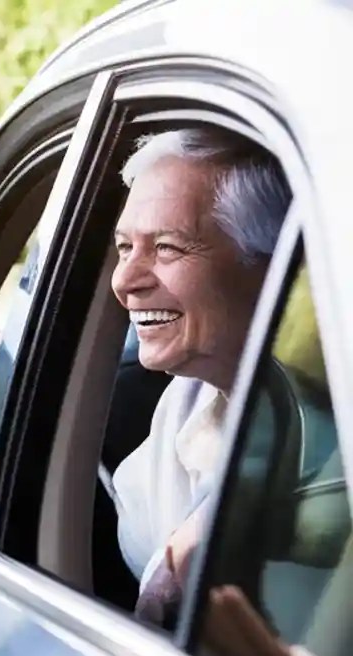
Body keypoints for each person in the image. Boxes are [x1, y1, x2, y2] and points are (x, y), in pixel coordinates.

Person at [105, 128, 291, 619]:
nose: (124, 281)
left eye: (166, 248)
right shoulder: (185, 400)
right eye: (124, 248)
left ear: (271, 265)